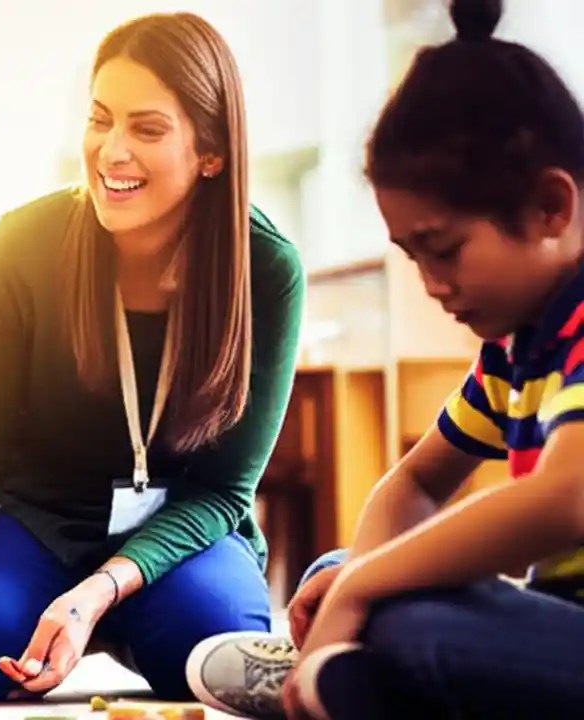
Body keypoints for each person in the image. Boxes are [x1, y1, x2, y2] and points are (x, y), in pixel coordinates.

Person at [0, 11, 305, 702]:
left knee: (215, 638)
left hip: (177, 531)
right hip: (37, 520)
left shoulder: (265, 268)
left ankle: (116, 615)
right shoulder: (19, 247)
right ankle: (88, 616)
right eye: (100, 120)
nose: (110, 152)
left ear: (210, 151)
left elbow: (222, 490)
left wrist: (94, 594)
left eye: (147, 129)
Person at [186, 1, 584, 718]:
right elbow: (417, 481)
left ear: (551, 207)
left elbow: (567, 500)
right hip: (557, 626)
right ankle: (349, 676)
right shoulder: (514, 347)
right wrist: (357, 576)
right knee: (334, 572)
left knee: (406, 614)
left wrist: (370, 588)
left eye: (446, 251)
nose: (433, 287)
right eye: (414, 258)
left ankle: (355, 681)